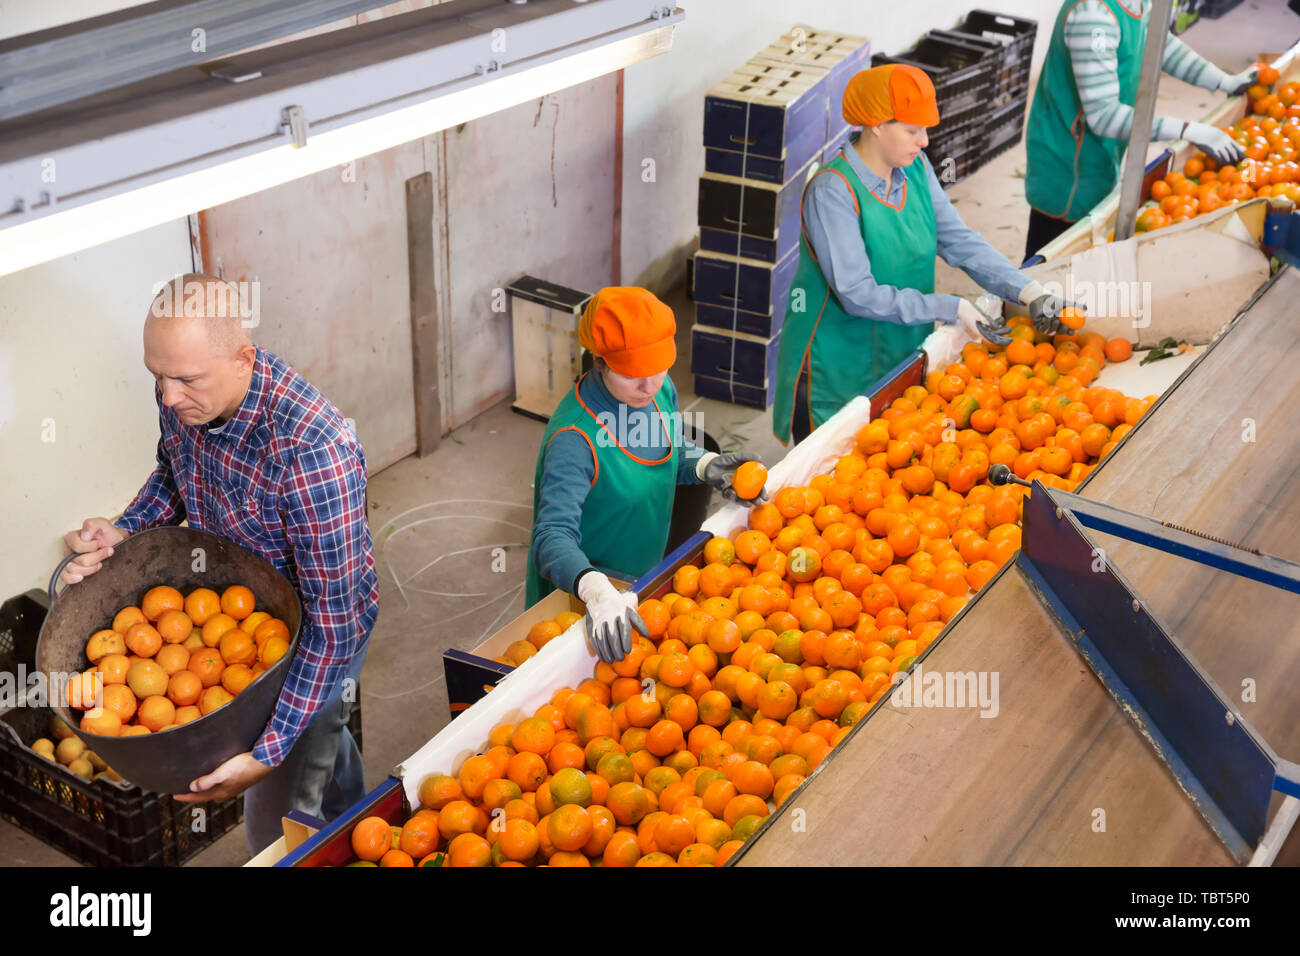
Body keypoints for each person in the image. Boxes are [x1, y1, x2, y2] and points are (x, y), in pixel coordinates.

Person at [58, 273, 377, 857]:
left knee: (276, 823)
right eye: (156, 376)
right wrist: (125, 531)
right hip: (234, 615)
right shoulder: (189, 397)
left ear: (242, 360)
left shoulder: (312, 454)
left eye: (184, 379)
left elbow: (337, 623)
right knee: (324, 750)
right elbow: (172, 476)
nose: (168, 397)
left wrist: (267, 751)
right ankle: (362, 826)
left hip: (316, 631)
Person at [773, 64, 1068, 446]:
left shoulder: (915, 169)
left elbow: (959, 240)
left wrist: (1028, 291)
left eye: (925, 130)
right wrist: (949, 306)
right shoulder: (833, 191)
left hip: (900, 344)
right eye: (912, 131)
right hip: (838, 362)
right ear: (877, 125)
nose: (925, 142)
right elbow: (856, 293)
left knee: (887, 454)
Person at [527, 287, 765, 662]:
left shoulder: (657, 390)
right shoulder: (575, 438)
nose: (649, 386)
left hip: (644, 578)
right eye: (633, 375)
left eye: (659, 369)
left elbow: (666, 449)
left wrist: (703, 464)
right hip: (592, 601)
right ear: (600, 361)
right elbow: (551, 536)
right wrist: (597, 592)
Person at [1023, 0, 1255, 258]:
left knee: (1084, 244)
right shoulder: (1093, 16)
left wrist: (1222, 80)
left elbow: (1158, 44)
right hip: (1067, 163)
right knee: (1051, 256)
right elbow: (1104, 115)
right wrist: (1186, 129)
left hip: (1098, 151)